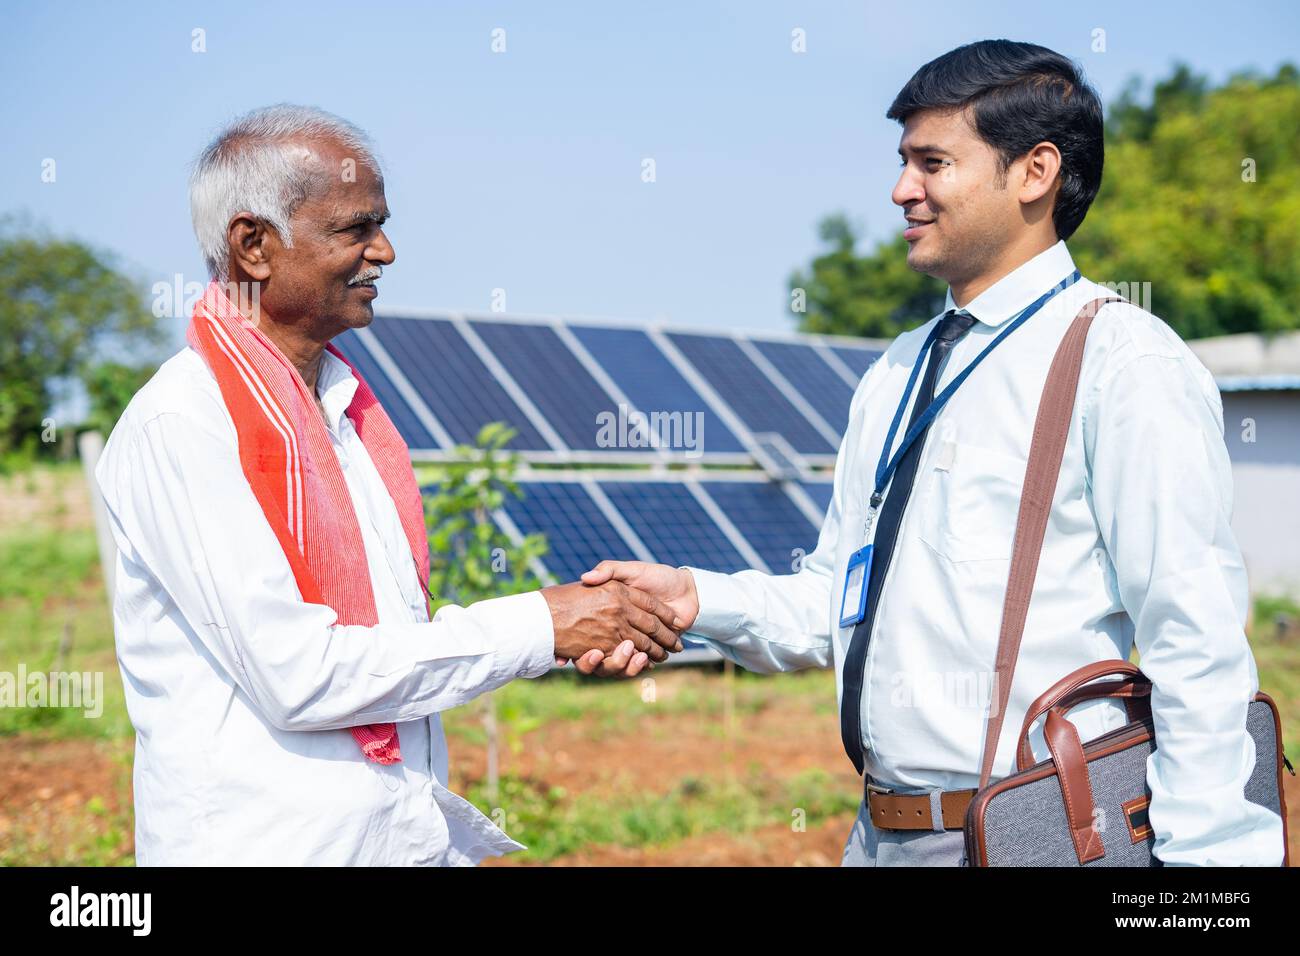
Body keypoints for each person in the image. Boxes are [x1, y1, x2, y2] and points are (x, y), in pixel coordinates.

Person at [584, 40, 1285, 866]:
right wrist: (693, 599)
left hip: (1045, 835)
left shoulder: (1122, 362)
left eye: (933, 162)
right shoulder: (898, 368)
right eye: (902, 161)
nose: (901, 189)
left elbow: (1193, 644)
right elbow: (836, 606)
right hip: (879, 837)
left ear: (1035, 172)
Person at [94, 104, 682, 866]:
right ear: (254, 246)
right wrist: (541, 627)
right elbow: (300, 675)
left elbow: (392, 644)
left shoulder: (347, 415)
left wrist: (565, 632)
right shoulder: (185, 424)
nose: (386, 251)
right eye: (355, 228)